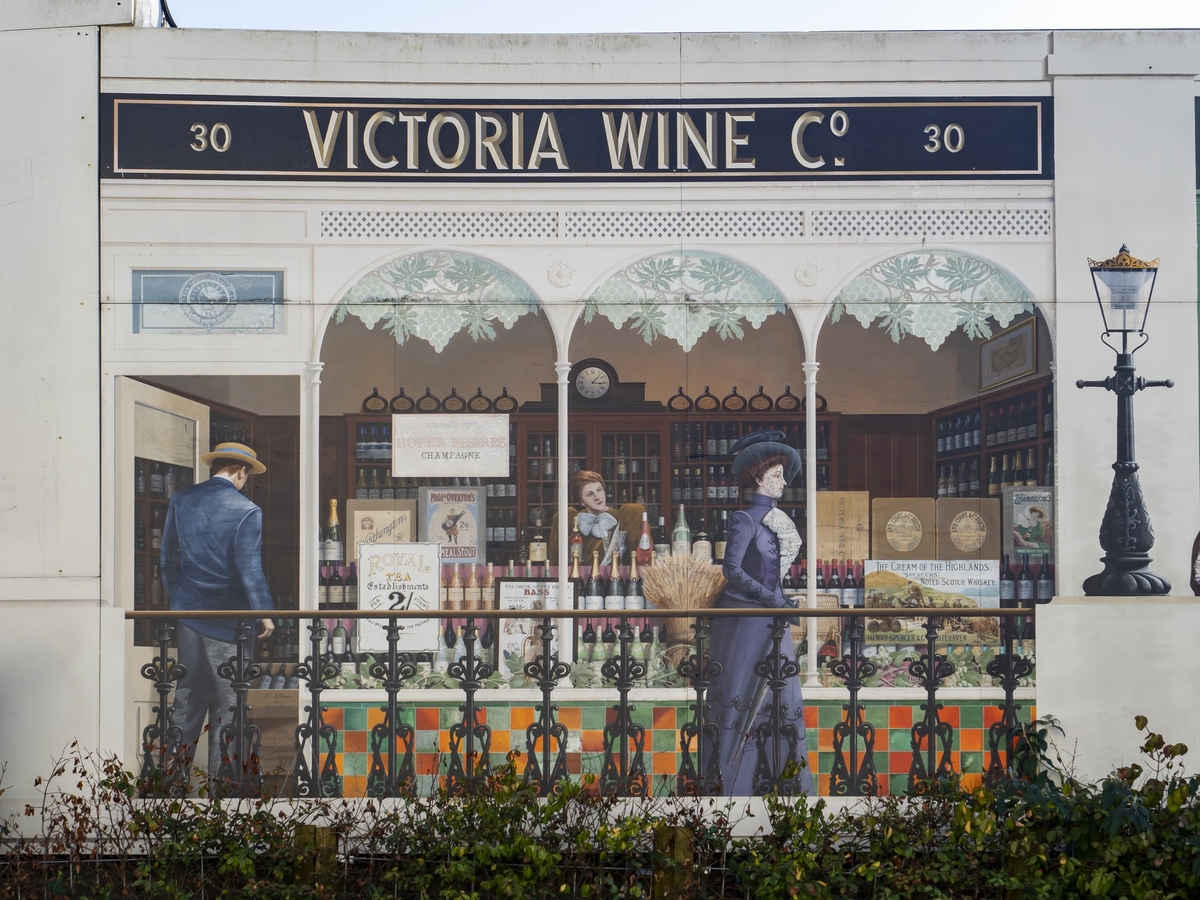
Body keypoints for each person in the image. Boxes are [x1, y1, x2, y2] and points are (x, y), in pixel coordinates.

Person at [703, 431, 813, 796]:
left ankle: (785, 785)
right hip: (743, 621)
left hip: (773, 621)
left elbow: (772, 574)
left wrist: (782, 602)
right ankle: (732, 788)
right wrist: (774, 600)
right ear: (757, 477)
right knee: (740, 699)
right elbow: (732, 570)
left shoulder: (781, 521)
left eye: (783, 475)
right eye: (777, 475)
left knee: (782, 699)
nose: (783, 481)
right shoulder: (743, 519)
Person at [160, 441, 275, 777]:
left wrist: (181, 599)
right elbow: (249, 568)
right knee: (229, 704)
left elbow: (168, 560)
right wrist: (263, 612)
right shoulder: (247, 510)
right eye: (246, 476)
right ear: (241, 472)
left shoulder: (182, 500)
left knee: (187, 700)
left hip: (189, 616)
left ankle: (170, 784)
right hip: (230, 622)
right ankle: (223, 790)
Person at [546, 470, 645, 567]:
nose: (597, 497)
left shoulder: (624, 516)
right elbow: (556, 561)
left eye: (599, 490)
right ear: (581, 502)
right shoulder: (573, 520)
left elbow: (641, 555)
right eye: (589, 494)